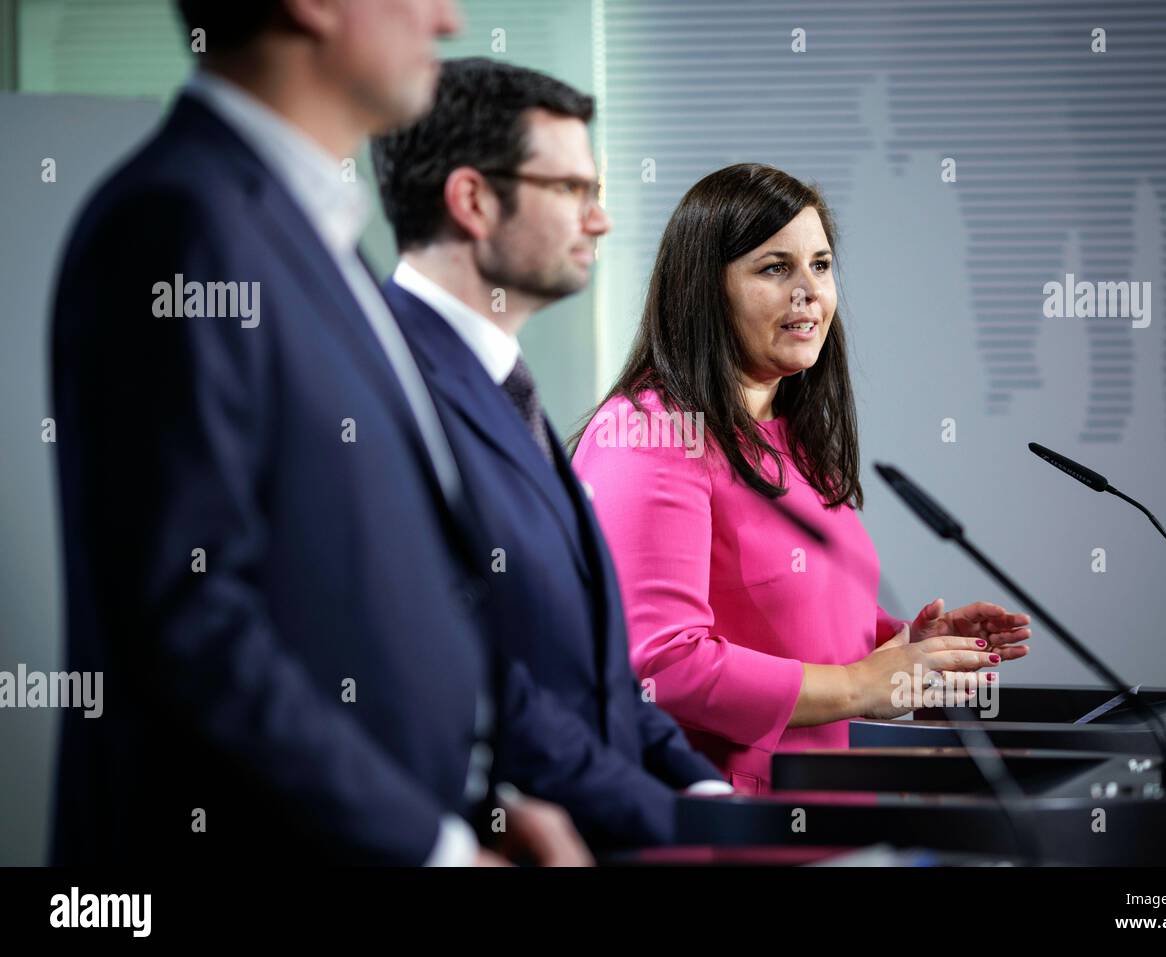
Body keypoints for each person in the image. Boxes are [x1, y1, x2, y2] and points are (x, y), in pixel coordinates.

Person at [49, 0, 662, 868]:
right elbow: (190, 625)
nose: (448, 21)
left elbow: (394, 617)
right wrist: (435, 848)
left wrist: (485, 806)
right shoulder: (178, 222)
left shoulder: (318, 245)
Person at [572, 163, 1032, 793]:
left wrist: (901, 649)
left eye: (819, 265)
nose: (808, 292)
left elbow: (788, 607)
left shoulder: (791, 431)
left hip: (826, 807)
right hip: (714, 823)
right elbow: (663, 664)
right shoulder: (650, 437)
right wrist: (858, 685)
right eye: (774, 268)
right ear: (704, 289)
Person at [372, 58, 730, 807]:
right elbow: (459, 682)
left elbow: (591, 675)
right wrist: (655, 812)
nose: (599, 219)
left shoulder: (506, 385)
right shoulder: (380, 384)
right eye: (571, 190)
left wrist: (700, 789)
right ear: (472, 199)